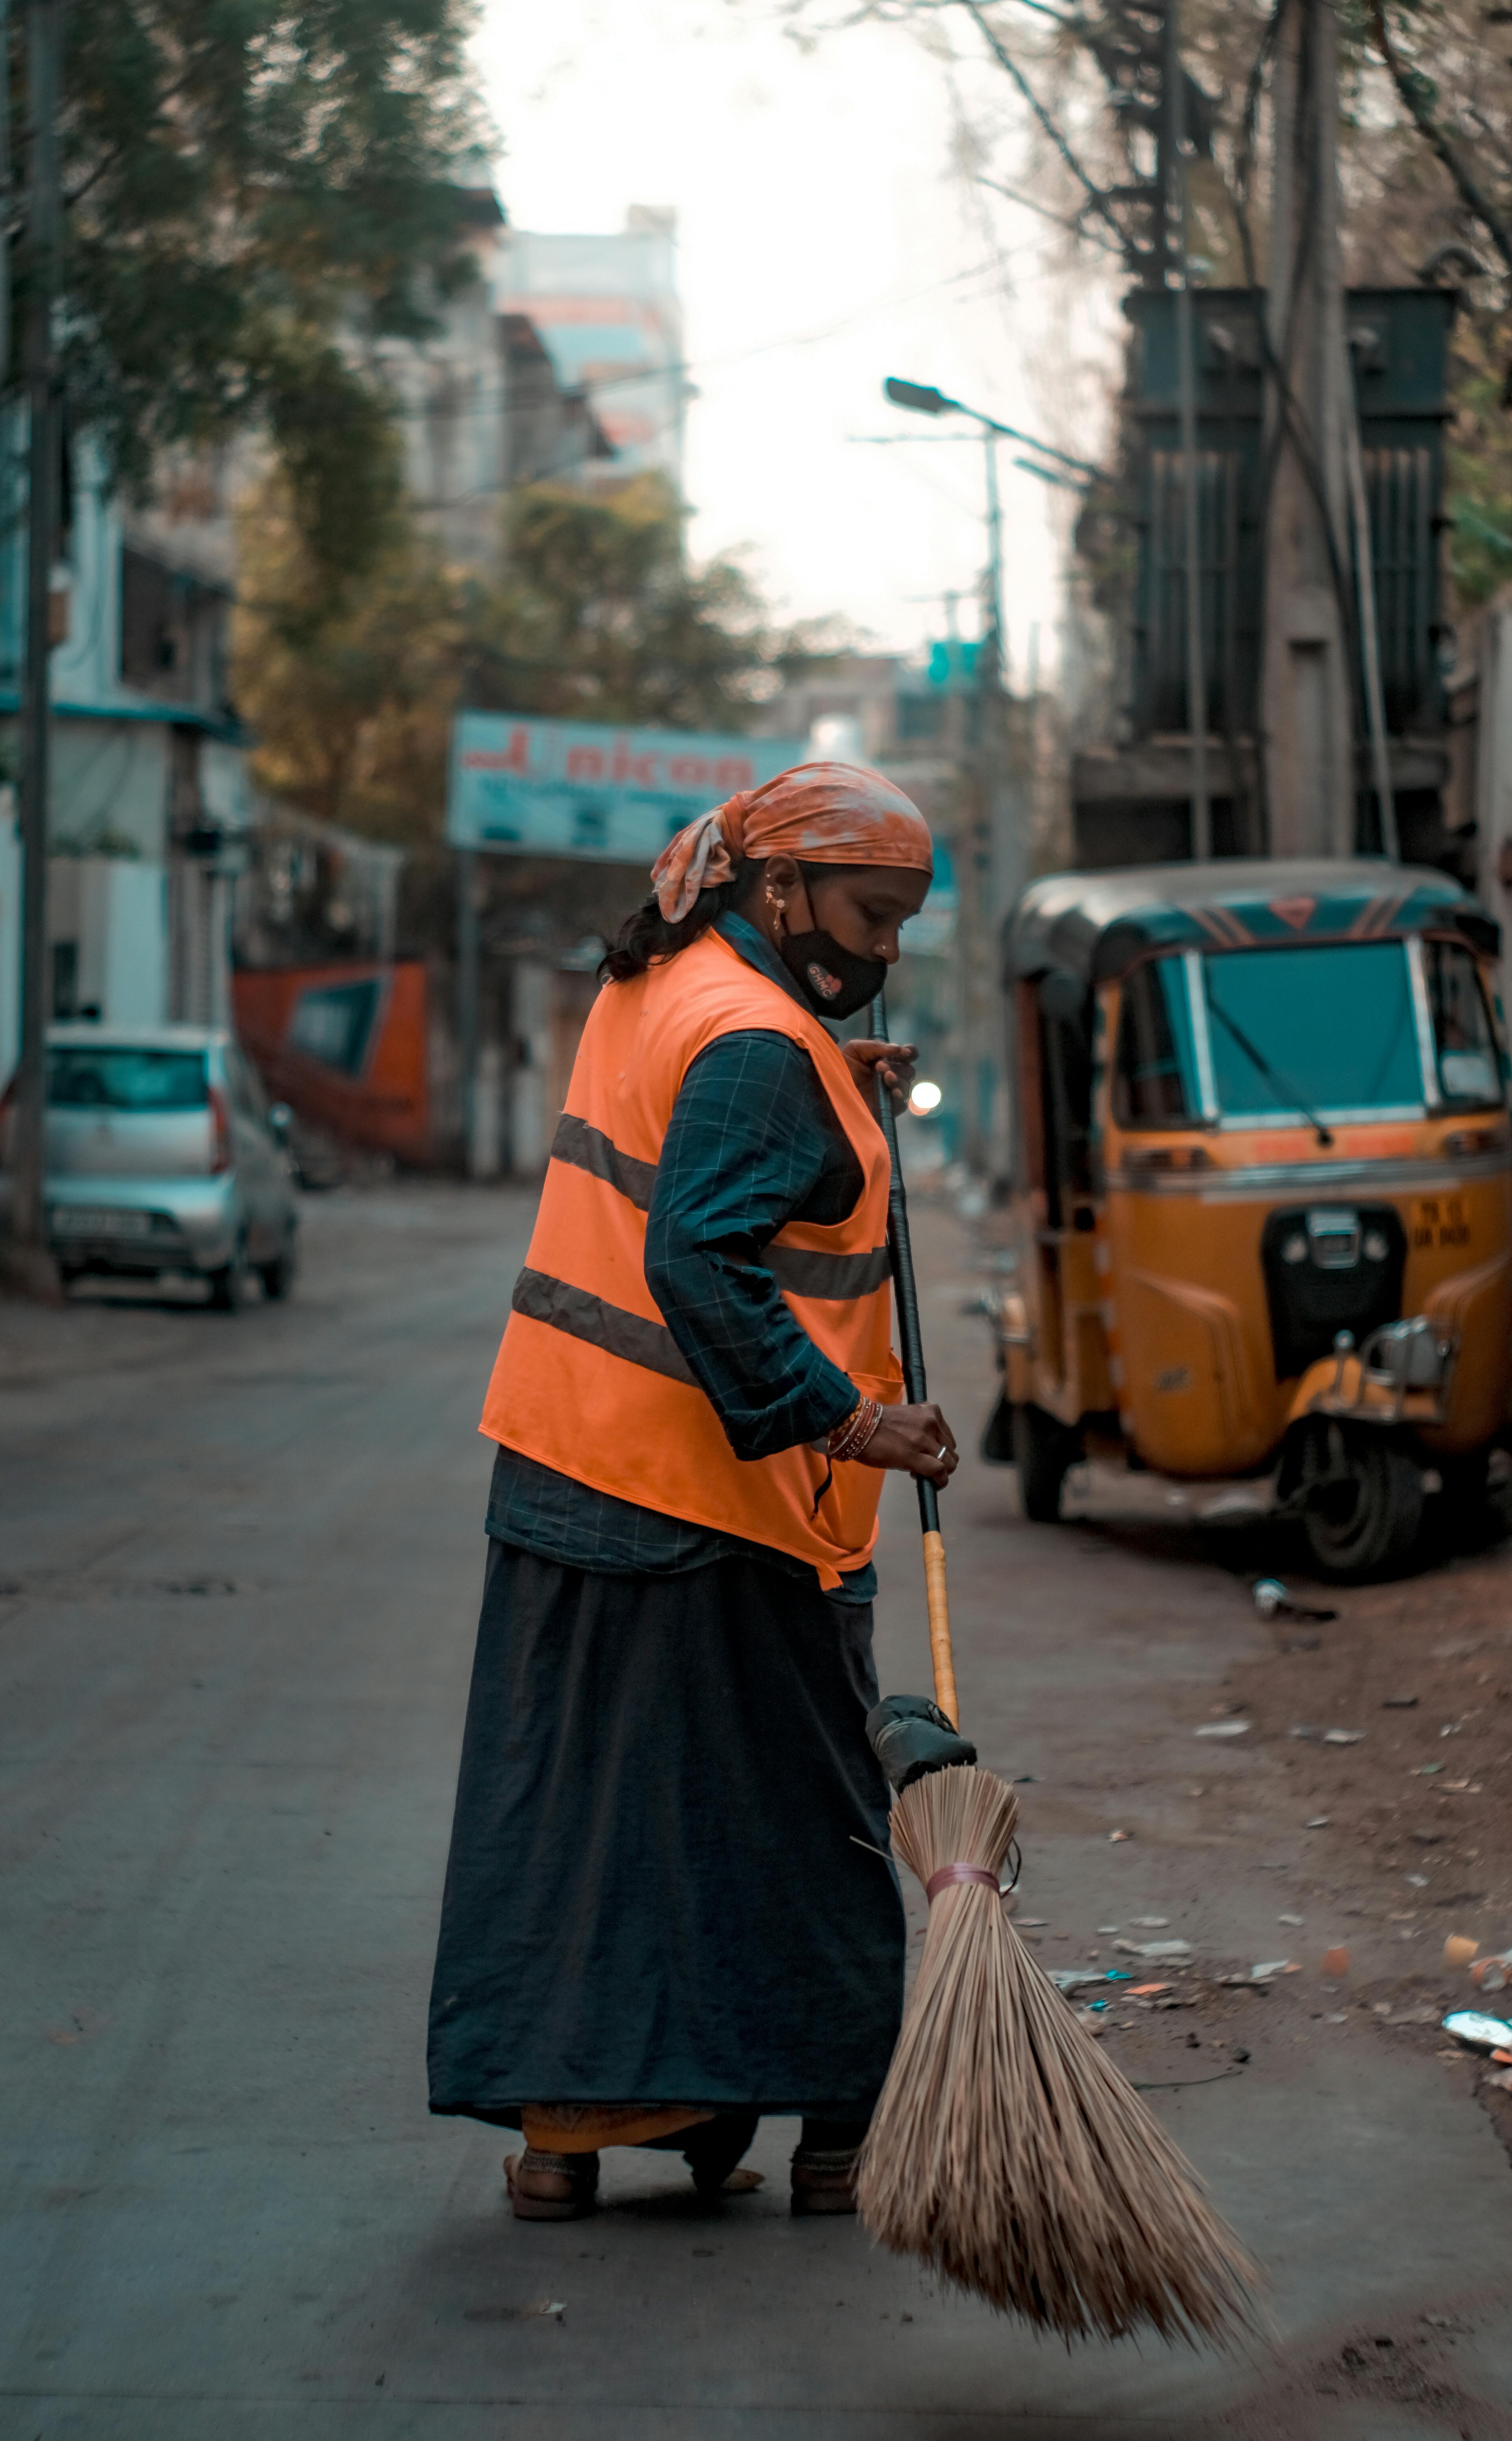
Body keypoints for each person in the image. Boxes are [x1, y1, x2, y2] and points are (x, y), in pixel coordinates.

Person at [427, 759, 959, 2222]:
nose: (885, 950)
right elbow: (697, 1261)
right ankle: (837, 2132)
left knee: (580, 1826)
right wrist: (859, 1422)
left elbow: (696, 1154)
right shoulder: (756, 1047)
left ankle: (563, 2132)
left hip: (564, 1466)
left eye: (905, 921)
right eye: (870, 914)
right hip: (711, 1511)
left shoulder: (674, 987)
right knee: (808, 1828)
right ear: (780, 889)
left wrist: (824, 1083)